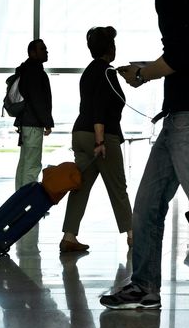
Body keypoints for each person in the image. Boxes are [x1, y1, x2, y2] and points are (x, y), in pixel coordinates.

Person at [102, 0, 189, 310]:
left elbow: (182, 54)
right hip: (175, 118)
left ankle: (143, 285)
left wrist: (143, 72)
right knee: (147, 207)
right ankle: (143, 286)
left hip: (187, 116)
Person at [59, 26, 133, 254]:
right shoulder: (107, 72)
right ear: (110, 48)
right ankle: (133, 234)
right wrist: (100, 141)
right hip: (100, 136)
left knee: (80, 187)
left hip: (80, 133)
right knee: (118, 186)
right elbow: (100, 107)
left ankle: (69, 236)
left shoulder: (89, 72)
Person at [13, 39, 53, 189]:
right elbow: (38, 100)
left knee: (24, 164)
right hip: (33, 124)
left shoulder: (25, 70)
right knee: (32, 166)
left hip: (25, 123)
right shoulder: (35, 71)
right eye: (42, 49)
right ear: (32, 53)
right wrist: (47, 122)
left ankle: (19, 200)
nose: (46, 51)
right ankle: (28, 203)